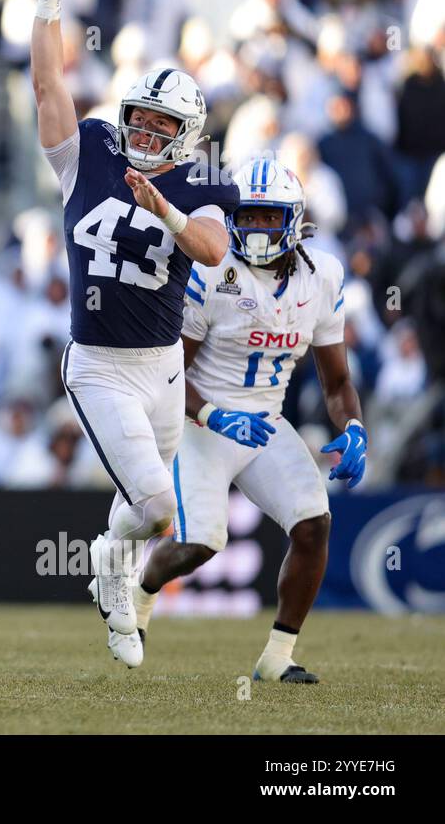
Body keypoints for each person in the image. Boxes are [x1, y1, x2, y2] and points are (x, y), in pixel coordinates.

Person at [30, 0, 239, 667]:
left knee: (149, 505)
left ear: (187, 133)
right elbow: (49, 84)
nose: (147, 133)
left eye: (162, 125)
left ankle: (109, 566)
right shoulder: (87, 151)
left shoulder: (204, 179)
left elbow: (212, 249)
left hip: (165, 367)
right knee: (157, 508)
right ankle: (111, 568)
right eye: (140, 119)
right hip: (99, 364)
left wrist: (166, 211)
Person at [134, 159, 367, 683]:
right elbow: (169, 373)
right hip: (201, 422)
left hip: (264, 421)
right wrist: (215, 416)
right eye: (248, 215)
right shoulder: (211, 269)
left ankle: (277, 656)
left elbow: (337, 383)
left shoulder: (322, 275)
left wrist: (354, 428)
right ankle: (140, 589)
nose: (256, 227)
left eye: (268, 217)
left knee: (313, 524)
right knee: (201, 544)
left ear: (295, 220)